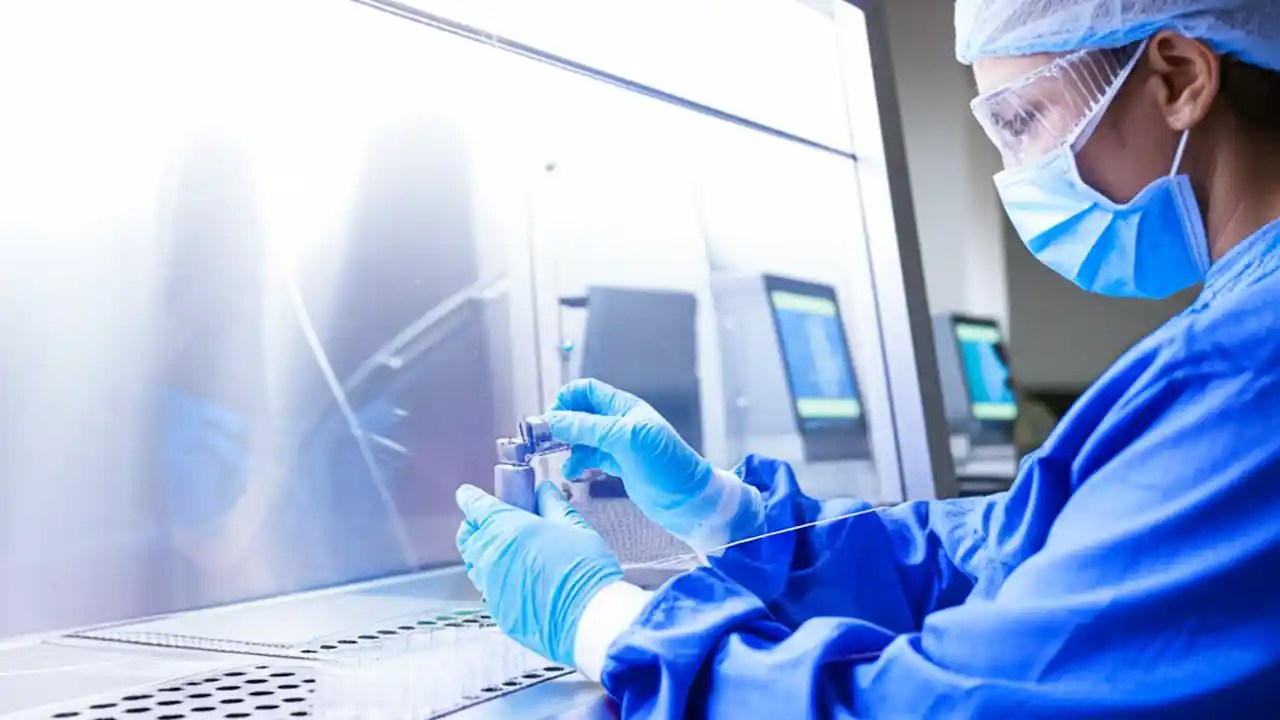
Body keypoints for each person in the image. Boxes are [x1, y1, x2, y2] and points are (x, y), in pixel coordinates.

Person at [455, 0, 1280, 715]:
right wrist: (730, 514)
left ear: (1178, 78)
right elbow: (1004, 553)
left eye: (1021, 121)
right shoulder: (1235, 327)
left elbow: (952, 705)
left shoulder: (1245, 371)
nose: (1015, 173)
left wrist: (608, 624)